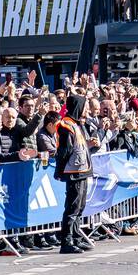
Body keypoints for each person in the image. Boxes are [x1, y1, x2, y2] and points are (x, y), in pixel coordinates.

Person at [54, 93, 94, 255]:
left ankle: (76, 236)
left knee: (80, 206)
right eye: (84, 106)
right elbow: (64, 150)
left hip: (81, 170)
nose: (86, 110)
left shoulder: (76, 124)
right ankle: (67, 240)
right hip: (73, 171)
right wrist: (60, 170)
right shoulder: (66, 125)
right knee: (72, 206)